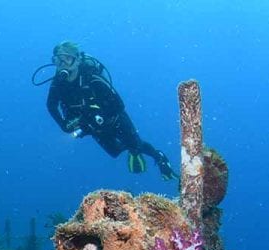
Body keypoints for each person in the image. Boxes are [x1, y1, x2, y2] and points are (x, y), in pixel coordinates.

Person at [46, 41, 178, 180]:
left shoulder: (92, 77)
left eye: (67, 58)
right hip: (92, 127)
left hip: (115, 120)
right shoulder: (57, 83)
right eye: (57, 60)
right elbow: (51, 105)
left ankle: (159, 157)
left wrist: (97, 114)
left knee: (135, 146)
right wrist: (63, 125)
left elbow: (119, 105)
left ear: (77, 60)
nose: (62, 64)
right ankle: (130, 149)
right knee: (115, 151)